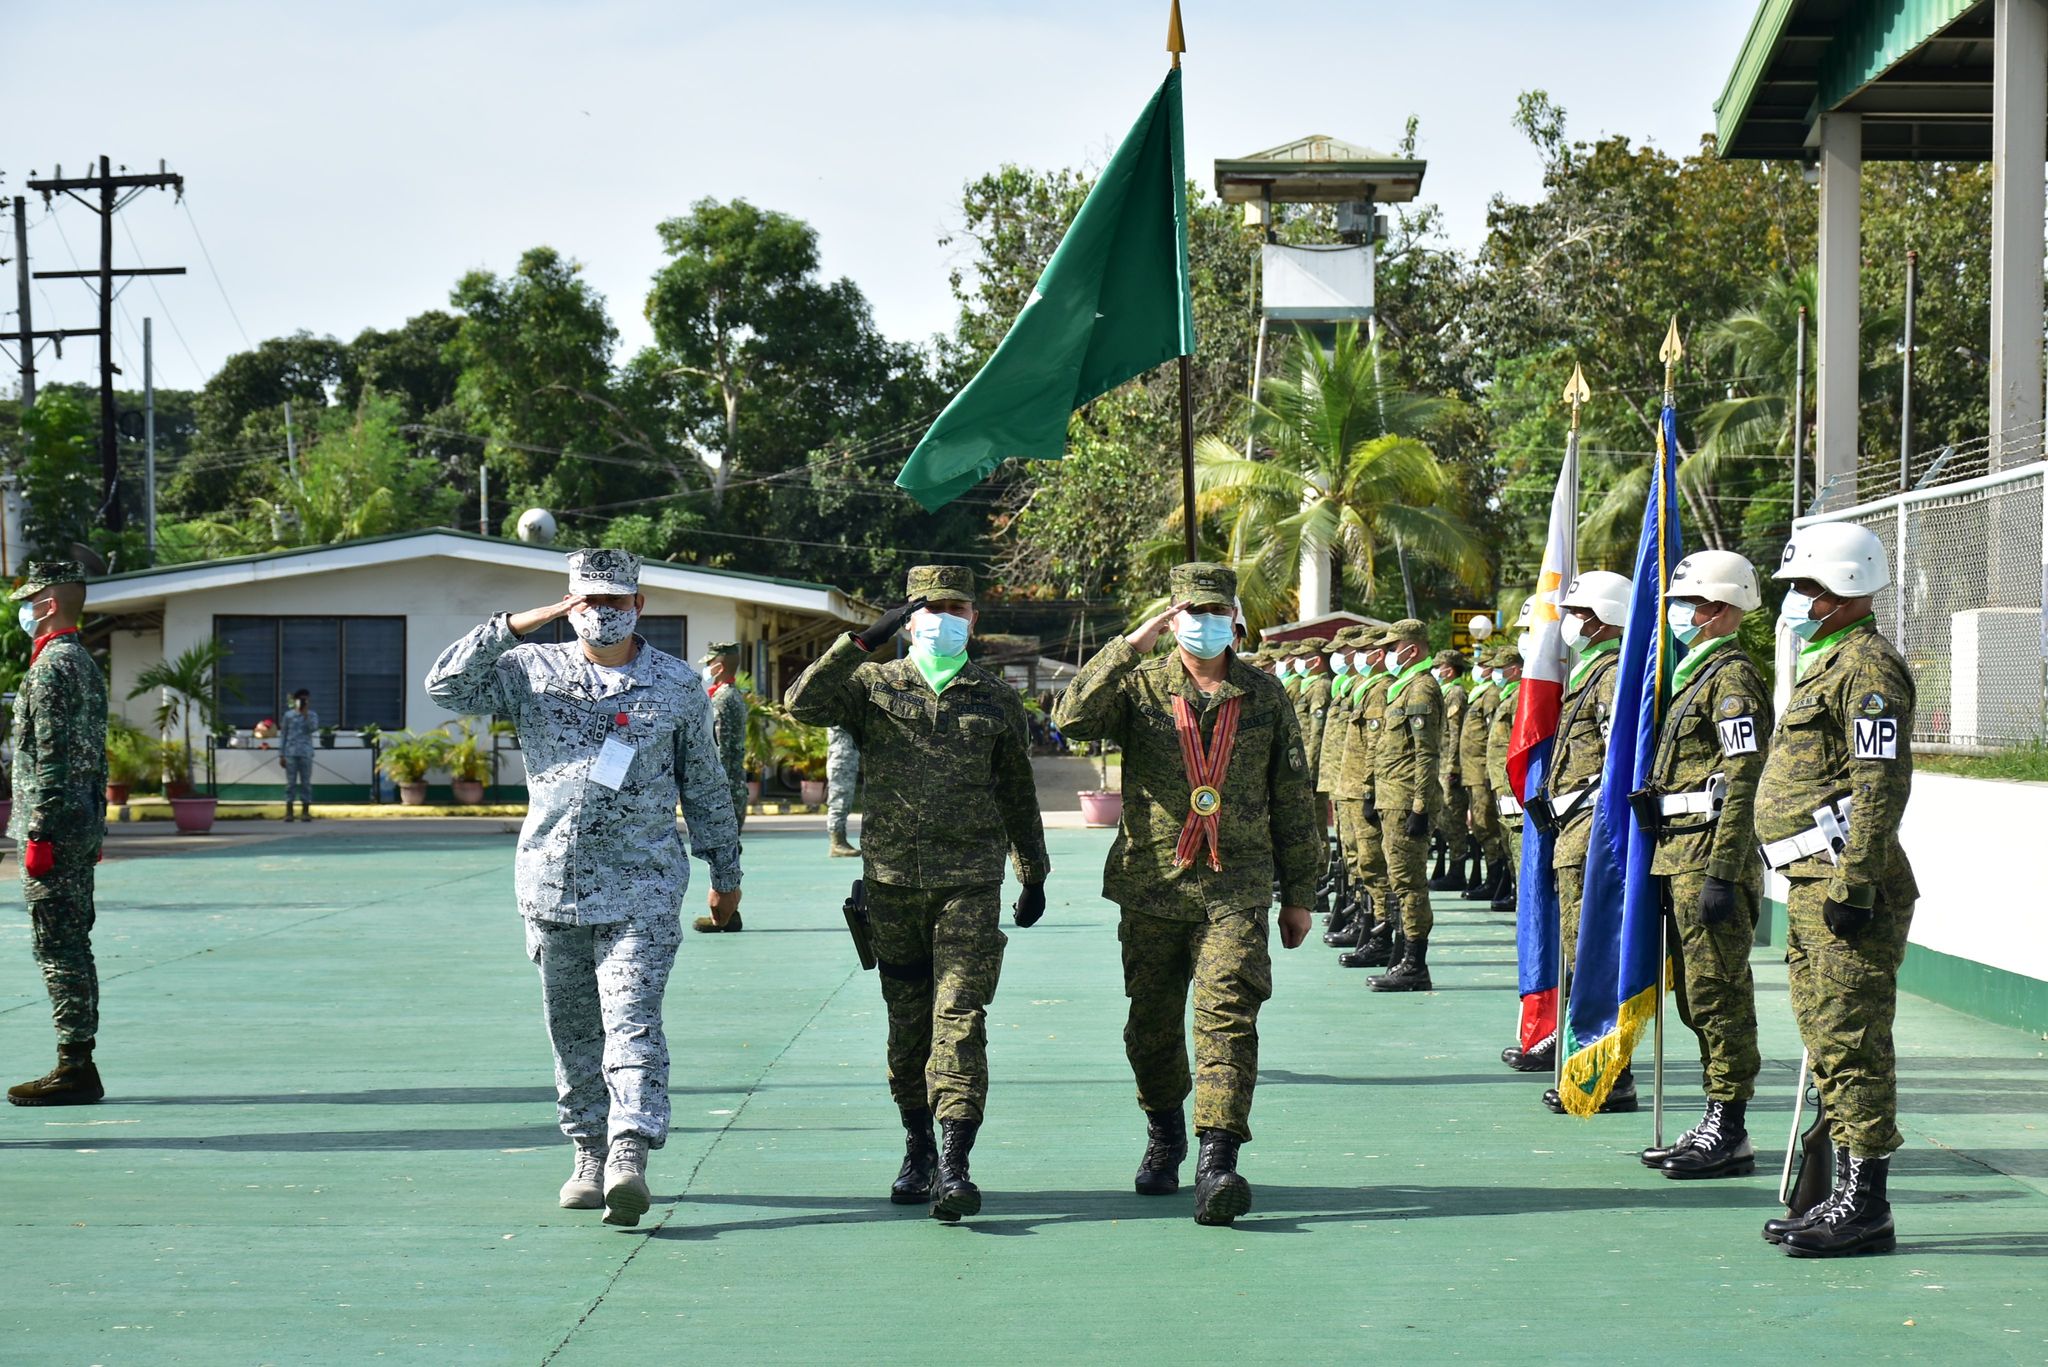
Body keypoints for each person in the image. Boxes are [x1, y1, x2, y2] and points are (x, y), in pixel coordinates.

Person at [425, 548, 742, 1227]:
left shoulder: (678, 684)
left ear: (639, 605)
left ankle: (629, 1148)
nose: (602, 613)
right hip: (552, 883)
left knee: (631, 1018)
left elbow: (706, 785)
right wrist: (518, 623)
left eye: (616, 601)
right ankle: (588, 1153)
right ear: (571, 604)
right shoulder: (529, 671)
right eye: (588, 601)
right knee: (572, 1031)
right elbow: (444, 685)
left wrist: (726, 874)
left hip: (644, 883)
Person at [1053, 563, 1318, 1227]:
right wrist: (1131, 642)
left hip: (1238, 884)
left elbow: (1292, 797)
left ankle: (1217, 1160)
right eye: (1188, 611)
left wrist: (1300, 894)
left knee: (1228, 1013)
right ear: (1172, 617)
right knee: (1151, 1026)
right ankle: (1166, 1130)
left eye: (1214, 609)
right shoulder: (1140, 685)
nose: (1202, 622)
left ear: (1234, 617)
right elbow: (1071, 716)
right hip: (1152, 884)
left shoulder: (1263, 693)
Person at [785, 565, 1048, 1224]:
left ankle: (956, 1164)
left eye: (955, 606)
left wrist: (1034, 872)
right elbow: (802, 703)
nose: (943, 617)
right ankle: (918, 1146)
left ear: (973, 618)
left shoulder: (992, 697)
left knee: (959, 1020)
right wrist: (861, 642)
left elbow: (1017, 790)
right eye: (929, 607)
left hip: (969, 884)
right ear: (908, 617)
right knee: (908, 1030)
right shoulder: (872, 686)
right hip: (893, 886)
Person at [1755, 523, 1914, 1258]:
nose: (1796, 600)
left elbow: (1880, 785)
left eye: (1808, 588)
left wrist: (1854, 884)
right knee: (1827, 1042)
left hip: (1845, 881)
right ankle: (1839, 1191)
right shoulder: (1828, 661)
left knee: (1853, 1042)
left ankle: (1866, 1205)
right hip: (1810, 878)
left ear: (1847, 590)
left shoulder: (1868, 667)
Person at [1632, 550, 1771, 1180]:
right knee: (1694, 996)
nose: (1678, 616)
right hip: (1677, 851)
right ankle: (1716, 1115)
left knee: (1719, 993)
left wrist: (1723, 869)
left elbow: (1744, 781)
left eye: (1685, 605)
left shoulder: (1732, 678)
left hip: (1708, 856)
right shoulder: (1695, 674)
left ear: (1715, 609)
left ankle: (1731, 1126)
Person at [6, 562, 110, 1107]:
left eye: (29, 600)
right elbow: (96, 757)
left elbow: (52, 756)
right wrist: (95, 827)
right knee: (74, 944)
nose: (22, 609)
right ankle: (79, 1059)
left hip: (55, 828)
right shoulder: (84, 664)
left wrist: (40, 832)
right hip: (79, 824)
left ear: (48, 604)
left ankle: (74, 1068)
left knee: (58, 947)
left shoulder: (51, 668)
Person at [1537, 571, 1634, 1112]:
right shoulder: (1592, 673)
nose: (1570, 624)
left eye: (1578, 614)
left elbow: (1615, 765)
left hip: (1594, 836)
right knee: (1578, 952)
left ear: (1600, 618)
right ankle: (1593, 1065)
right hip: (1574, 832)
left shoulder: (1614, 675)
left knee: (1594, 956)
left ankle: (1609, 1074)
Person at [1368, 620, 1443, 993]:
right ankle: (1402, 954)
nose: (1386, 654)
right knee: (1398, 883)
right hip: (1390, 798)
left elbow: (1426, 754)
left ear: (1411, 650)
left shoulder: (1422, 688)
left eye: (1392, 647)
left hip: (1404, 801)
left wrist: (1420, 807)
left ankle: (1415, 964)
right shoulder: (1403, 688)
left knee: (1409, 884)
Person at [1335, 630, 1399, 967]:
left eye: (1362, 650)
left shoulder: (1381, 690)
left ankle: (1383, 933)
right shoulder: (1362, 688)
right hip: (1348, 784)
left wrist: (1370, 789)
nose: (1353, 656)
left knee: (1374, 865)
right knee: (1358, 860)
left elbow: (1375, 746)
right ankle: (1368, 923)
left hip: (1364, 787)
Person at [694, 642, 750, 932]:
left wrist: (716, 787)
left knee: (724, 851)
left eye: (709, 663)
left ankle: (725, 915)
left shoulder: (723, 699)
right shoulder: (732, 695)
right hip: (734, 782)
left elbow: (722, 748)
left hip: (726, 784)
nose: (706, 669)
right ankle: (730, 914)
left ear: (719, 665)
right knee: (728, 850)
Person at [1458, 648, 1507, 902]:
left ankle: (1496, 878)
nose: (1478, 669)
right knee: (1479, 825)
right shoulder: (1481, 694)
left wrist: (1490, 772)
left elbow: (1492, 736)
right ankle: (1493, 877)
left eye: (1483, 665)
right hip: (1474, 770)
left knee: (1487, 826)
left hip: (1483, 771)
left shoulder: (1491, 695)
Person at [1428, 650, 1471, 892]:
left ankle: (1457, 871)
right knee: (1443, 819)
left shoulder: (1455, 693)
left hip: (1448, 765)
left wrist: (1453, 765)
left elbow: (1455, 732)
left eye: (1439, 666)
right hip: (1440, 762)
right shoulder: (1445, 691)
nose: (1436, 670)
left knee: (1453, 820)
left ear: (1449, 669)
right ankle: (1447, 867)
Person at [280, 689, 318, 822]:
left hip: (305, 753)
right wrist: (281, 754)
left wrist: (305, 714)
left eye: (306, 699)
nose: (303, 702)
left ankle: (305, 811)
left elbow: (312, 729)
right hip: (290, 753)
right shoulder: (288, 715)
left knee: (306, 783)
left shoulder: (312, 715)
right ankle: (289, 811)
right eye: (301, 699)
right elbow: (283, 734)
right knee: (290, 783)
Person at [825, 724, 861, 857]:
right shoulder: (839, 714)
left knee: (844, 802)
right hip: (840, 762)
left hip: (847, 760)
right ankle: (837, 842)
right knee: (839, 801)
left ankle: (840, 840)